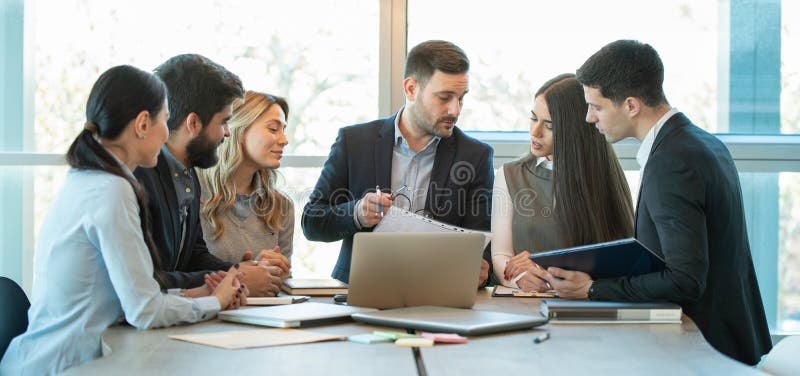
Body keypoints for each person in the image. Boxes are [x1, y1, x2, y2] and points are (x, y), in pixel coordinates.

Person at [530, 40, 772, 365]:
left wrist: (591, 289)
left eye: (597, 107)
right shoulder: (702, 142)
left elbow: (685, 280)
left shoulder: (671, 162)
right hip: (725, 341)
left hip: (700, 350)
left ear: (631, 105)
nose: (588, 118)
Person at [0, 66, 244, 375]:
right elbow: (144, 311)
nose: (168, 133)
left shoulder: (88, 178)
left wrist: (197, 294)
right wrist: (215, 303)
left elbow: (129, 295)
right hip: (64, 367)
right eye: (165, 120)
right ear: (143, 123)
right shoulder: (111, 190)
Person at [301, 40, 494, 285]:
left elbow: (481, 245)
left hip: (440, 296)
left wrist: (481, 271)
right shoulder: (354, 142)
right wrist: (357, 213)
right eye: (444, 98)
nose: (455, 110)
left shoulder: (476, 156)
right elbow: (312, 222)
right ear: (411, 88)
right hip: (361, 291)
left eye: (461, 98)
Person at [134, 54, 283, 296]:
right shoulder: (139, 178)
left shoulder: (188, 173)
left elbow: (194, 255)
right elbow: (146, 279)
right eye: (224, 122)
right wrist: (237, 278)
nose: (227, 133)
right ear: (193, 124)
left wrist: (242, 269)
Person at [491, 73, 634, 291]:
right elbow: (501, 255)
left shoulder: (603, 178)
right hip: (527, 302)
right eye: (533, 118)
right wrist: (518, 277)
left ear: (574, 131)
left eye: (549, 125)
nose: (535, 131)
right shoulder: (509, 175)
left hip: (587, 303)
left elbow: (621, 258)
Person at [198, 91, 293, 278]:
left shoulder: (282, 206)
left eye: (284, 130)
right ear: (239, 131)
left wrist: (272, 273)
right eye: (273, 129)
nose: (284, 140)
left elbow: (281, 284)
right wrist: (246, 273)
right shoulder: (192, 193)